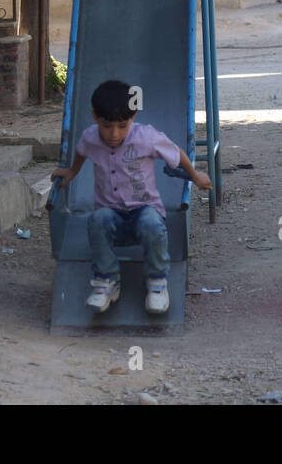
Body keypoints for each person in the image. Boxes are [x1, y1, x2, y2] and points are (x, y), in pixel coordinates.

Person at [50, 80, 211, 315]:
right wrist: (72, 171)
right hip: (111, 214)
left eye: (122, 126)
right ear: (96, 117)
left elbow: (176, 153)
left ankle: (157, 282)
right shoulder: (90, 138)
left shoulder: (146, 137)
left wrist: (195, 176)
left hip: (144, 211)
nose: (114, 133)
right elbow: (81, 153)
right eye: (107, 126)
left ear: (132, 118)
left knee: (152, 225)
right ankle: (107, 281)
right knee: (97, 220)